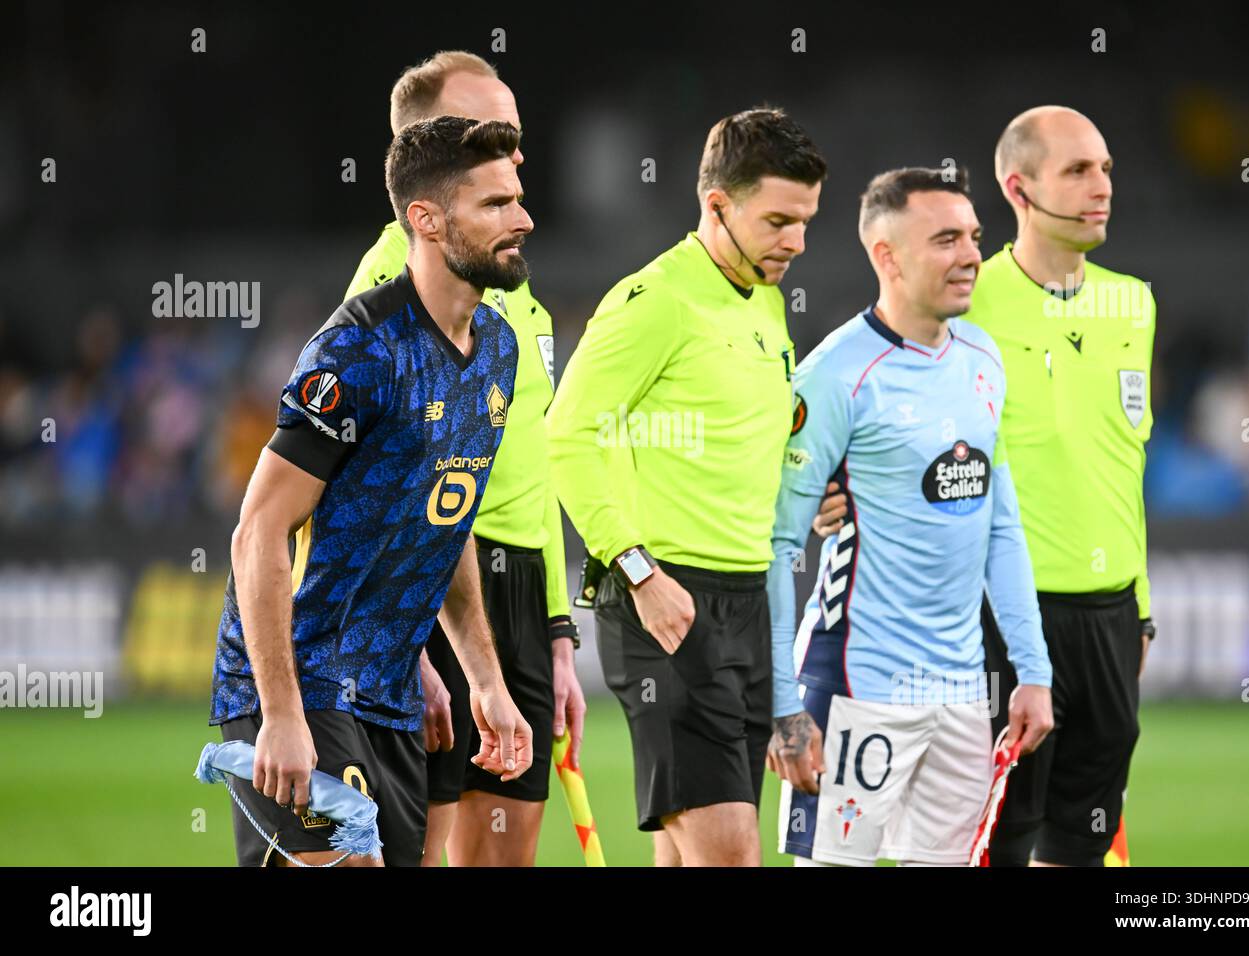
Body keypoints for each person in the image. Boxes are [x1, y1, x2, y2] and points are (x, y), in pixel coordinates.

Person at [814, 106, 1156, 867]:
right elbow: (864, 404)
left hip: (1110, 617)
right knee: (992, 844)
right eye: (1077, 170)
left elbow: (1121, 463)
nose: (1102, 186)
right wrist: (834, 494)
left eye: (1105, 168)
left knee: (1082, 842)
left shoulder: (1136, 303)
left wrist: (1141, 609)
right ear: (1018, 188)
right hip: (999, 620)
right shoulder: (967, 297)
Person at [209, 116, 533, 867]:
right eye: (494, 204)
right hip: (301, 681)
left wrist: (484, 681)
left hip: (387, 694)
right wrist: (282, 714)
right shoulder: (358, 350)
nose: (522, 218)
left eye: (518, 198)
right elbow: (257, 531)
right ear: (426, 218)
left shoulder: (498, 351)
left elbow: (442, 523)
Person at [547, 107, 826, 867]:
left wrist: (816, 494)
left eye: (805, 221)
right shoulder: (655, 300)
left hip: (746, 601)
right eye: (777, 220)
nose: (796, 242)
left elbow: (754, 439)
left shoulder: (766, 303)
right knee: (731, 853)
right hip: (665, 604)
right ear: (716, 205)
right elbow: (568, 430)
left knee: (692, 856)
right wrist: (638, 572)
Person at [768, 167, 1054, 866]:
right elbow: (777, 547)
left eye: (975, 238)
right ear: (887, 256)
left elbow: (1001, 525)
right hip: (857, 685)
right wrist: (782, 703)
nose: (969, 256)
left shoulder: (984, 360)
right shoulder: (835, 376)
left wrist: (1033, 669)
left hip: (961, 694)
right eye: (946, 239)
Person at [346, 51, 583, 867]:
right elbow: (363, 481)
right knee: (413, 850)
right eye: (494, 134)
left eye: (514, 136)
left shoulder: (510, 284)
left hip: (515, 596)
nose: (517, 152)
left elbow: (536, 458)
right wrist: (405, 644)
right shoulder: (390, 285)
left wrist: (555, 633)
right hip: (436, 581)